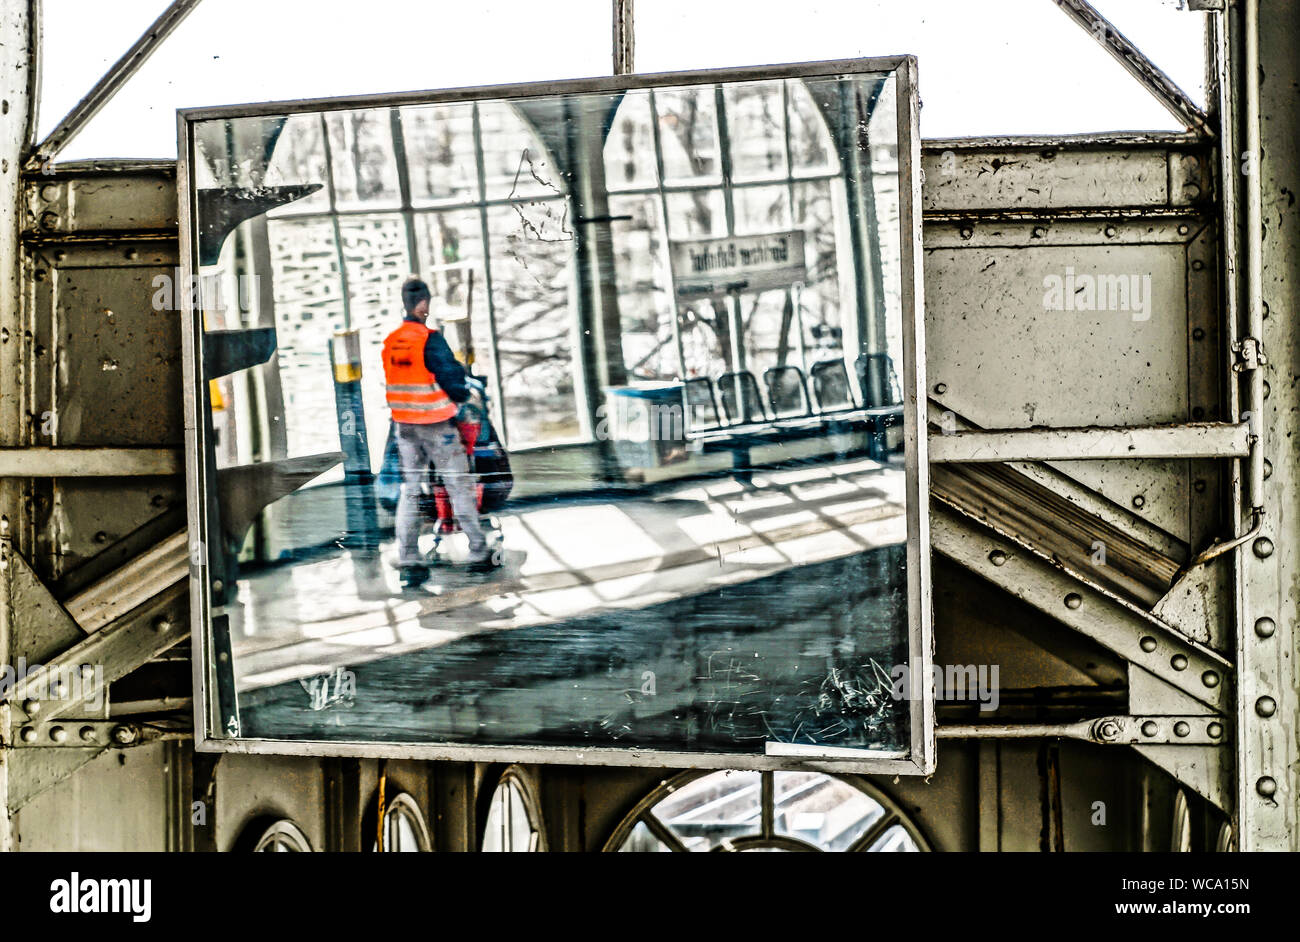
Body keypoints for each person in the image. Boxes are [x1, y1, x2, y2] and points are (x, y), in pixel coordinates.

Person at [382, 278, 495, 586]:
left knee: (412, 489)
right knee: (458, 485)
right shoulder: (428, 338)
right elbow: (452, 379)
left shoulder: (392, 341)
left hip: (404, 427)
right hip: (436, 426)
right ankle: (477, 551)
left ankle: (408, 559)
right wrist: (460, 394)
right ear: (422, 305)